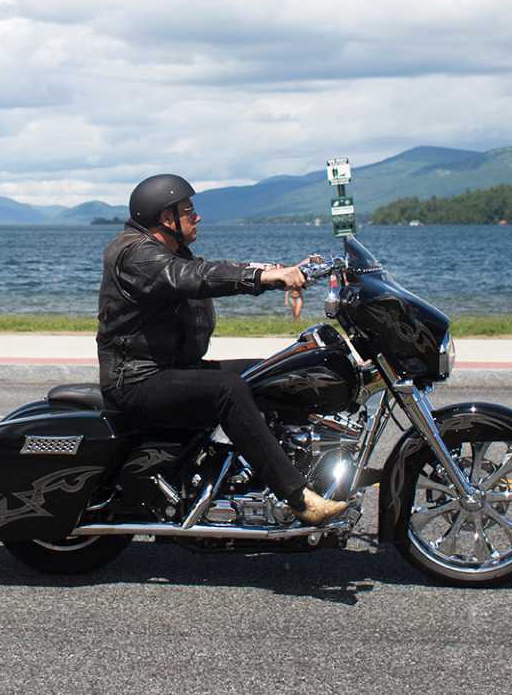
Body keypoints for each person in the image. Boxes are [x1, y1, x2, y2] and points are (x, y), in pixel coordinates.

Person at [97, 173, 343, 525]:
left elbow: (205, 271)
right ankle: (297, 496)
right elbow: (196, 277)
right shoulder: (135, 255)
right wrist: (266, 277)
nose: (196, 218)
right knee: (229, 390)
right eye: (188, 211)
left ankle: (299, 462)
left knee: (274, 372)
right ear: (167, 219)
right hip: (137, 380)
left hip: (174, 369)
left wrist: (277, 271)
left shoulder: (170, 252)